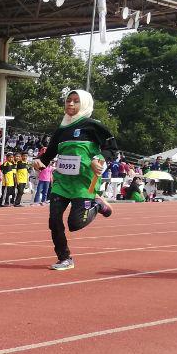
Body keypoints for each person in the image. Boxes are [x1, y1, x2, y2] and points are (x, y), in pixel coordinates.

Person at [41, 88, 116, 271]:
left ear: (84, 104)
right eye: (68, 100)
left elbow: (111, 149)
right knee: (53, 220)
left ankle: (97, 204)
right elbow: (49, 154)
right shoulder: (61, 130)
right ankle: (64, 258)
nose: (71, 104)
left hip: (84, 183)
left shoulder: (93, 126)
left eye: (75, 101)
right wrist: (39, 161)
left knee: (75, 224)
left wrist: (99, 159)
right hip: (62, 182)